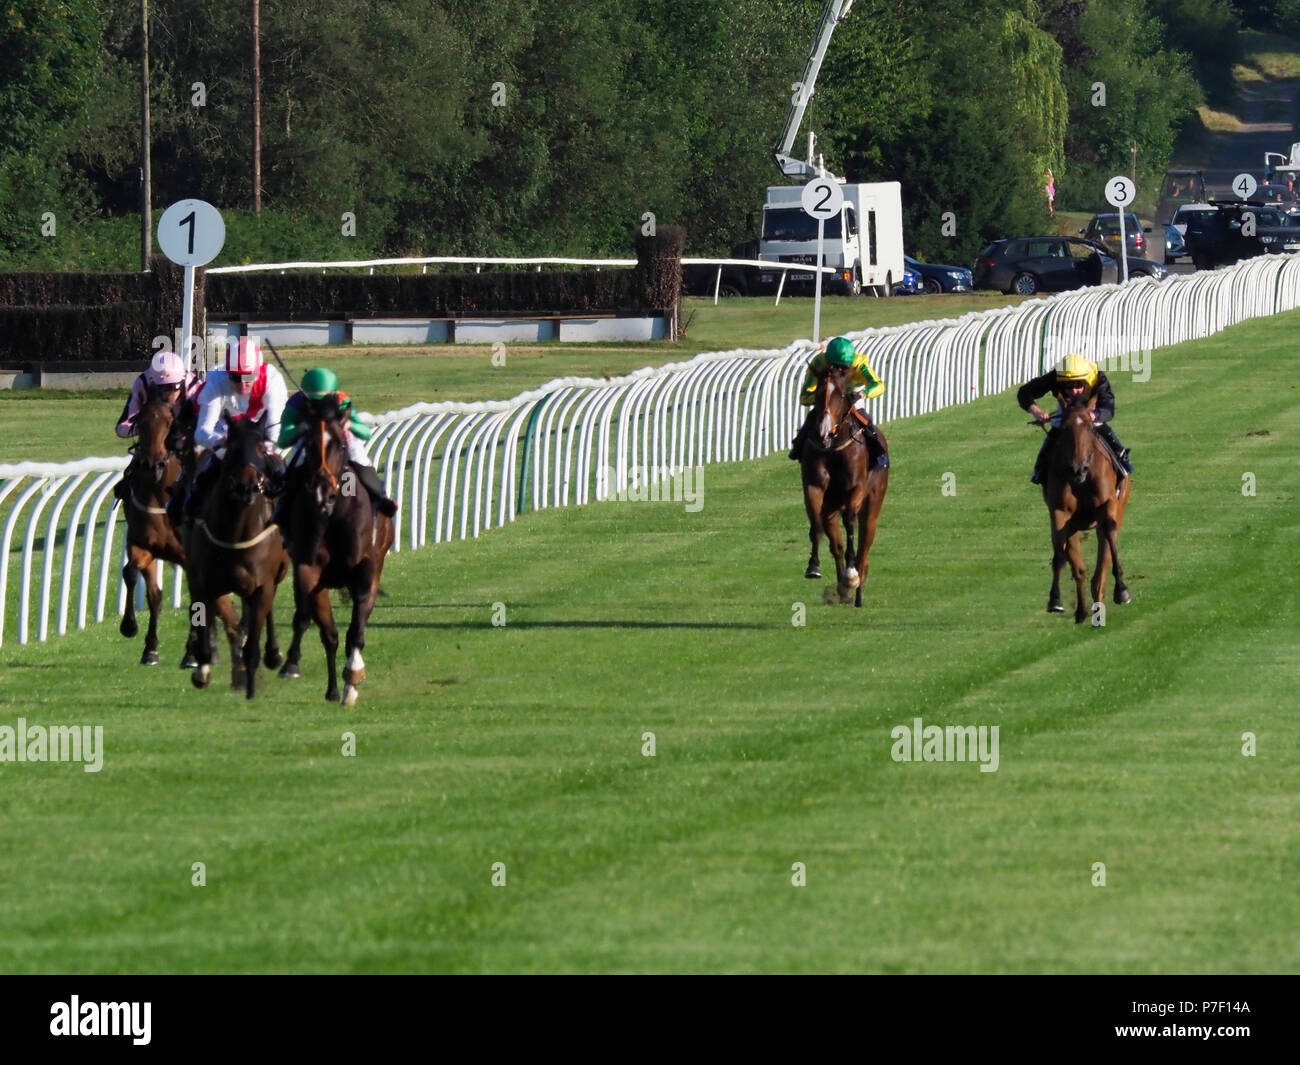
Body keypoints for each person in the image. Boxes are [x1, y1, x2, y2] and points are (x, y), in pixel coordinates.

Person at [176, 337, 289, 524]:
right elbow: (202, 432)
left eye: (249, 377)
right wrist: (219, 443)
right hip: (226, 433)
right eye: (236, 377)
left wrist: (250, 448)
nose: (243, 385)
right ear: (227, 373)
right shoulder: (215, 381)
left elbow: (273, 432)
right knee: (201, 473)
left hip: (259, 434)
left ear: (257, 372)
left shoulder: (272, 381)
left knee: (280, 473)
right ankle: (184, 510)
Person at [276, 366, 397, 524]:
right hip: (310, 440)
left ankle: (380, 498)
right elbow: (282, 440)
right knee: (295, 464)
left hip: (341, 440)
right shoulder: (294, 405)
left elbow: (365, 432)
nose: (320, 406)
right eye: (315, 401)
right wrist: (300, 428)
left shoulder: (342, 401)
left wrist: (349, 425)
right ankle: (282, 508)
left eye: (324, 401)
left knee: (359, 459)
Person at [1019, 352, 1131, 485]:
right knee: (1054, 432)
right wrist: (1036, 411)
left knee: (1103, 429)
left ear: (1086, 381)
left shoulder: (1097, 377)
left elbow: (1108, 407)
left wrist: (1093, 415)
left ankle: (1122, 462)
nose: (1074, 391)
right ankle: (1040, 469)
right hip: (1067, 409)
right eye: (1068, 387)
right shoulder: (1056, 376)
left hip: (1091, 407)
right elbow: (1025, 392)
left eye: (1078, 386)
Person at [113, 349, 203, 500]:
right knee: (127, 482)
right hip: (153, 442)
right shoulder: (142, 383)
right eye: (160, 388)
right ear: (152, 382)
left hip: (187, 437)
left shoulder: (194, 387)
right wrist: (149, 428)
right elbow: (122, 427)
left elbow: (207, 423)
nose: (166, 394)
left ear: (181, 382)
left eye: (172, 387)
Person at [788, 336, 888, 468]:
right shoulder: (819, 364)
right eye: (835, 366)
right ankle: (798, 446)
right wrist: (822, 397)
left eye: (844, 367)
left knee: (865, 421)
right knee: (811, 420)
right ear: (828, 361)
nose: (840, 371)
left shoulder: (859, 363)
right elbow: (804, 397)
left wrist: (863, 393)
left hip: (852, 399)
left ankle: (879, 454)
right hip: (828, 403)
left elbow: (879, 385)